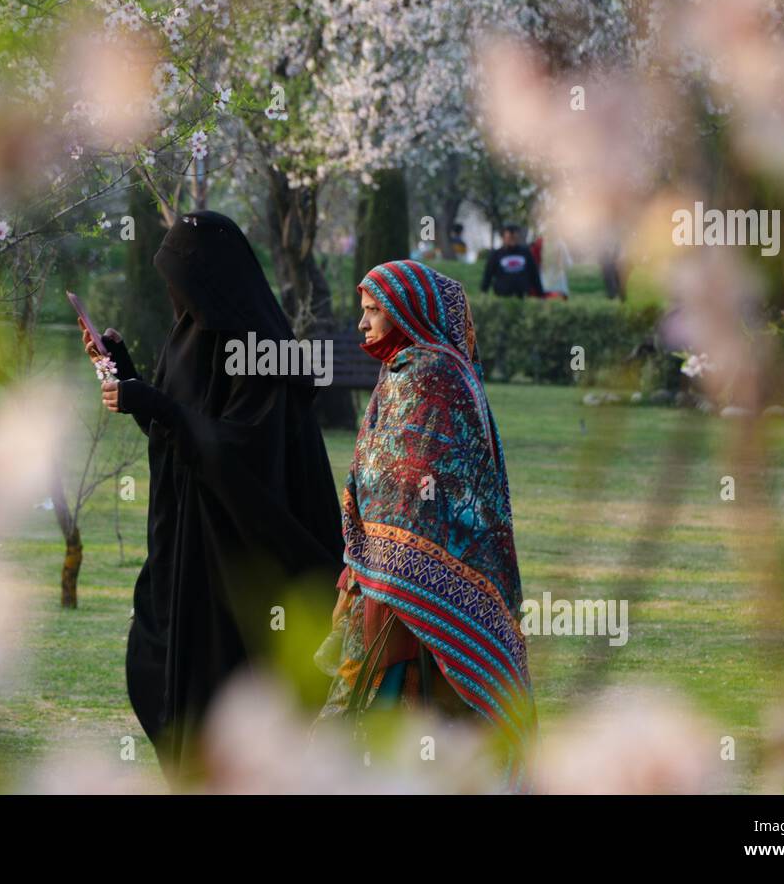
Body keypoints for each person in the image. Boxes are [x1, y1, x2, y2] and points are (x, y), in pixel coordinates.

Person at [80, 210, 344, 781]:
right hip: (184, 546)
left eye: (180, 280)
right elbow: (175, 429)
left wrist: (153, 403)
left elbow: (241, 453)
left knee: (224, 697)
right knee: (155, 662)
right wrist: (125, 374)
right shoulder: (190, 336)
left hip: (237, 559)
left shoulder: (264, 351)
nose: (173, 293)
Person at [314, 260, 536, 785]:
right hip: (398, 570)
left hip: (423, 579)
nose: (363, 325)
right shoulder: (409, 367)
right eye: (362, 312)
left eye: (373, 312)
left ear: (406, 312)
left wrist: (387, 551)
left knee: (411, 709)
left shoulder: (433, 374)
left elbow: (416, 478)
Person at [481, 223, 545, 298]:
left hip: (523, 296)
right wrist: (483, 292)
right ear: (503, 238)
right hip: (502, 297)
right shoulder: (497, 254)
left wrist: (540, 294)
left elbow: (534, 274)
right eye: (509, 237)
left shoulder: (525, 253)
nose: (512, 240)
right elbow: (488, 275)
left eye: (514, 237)